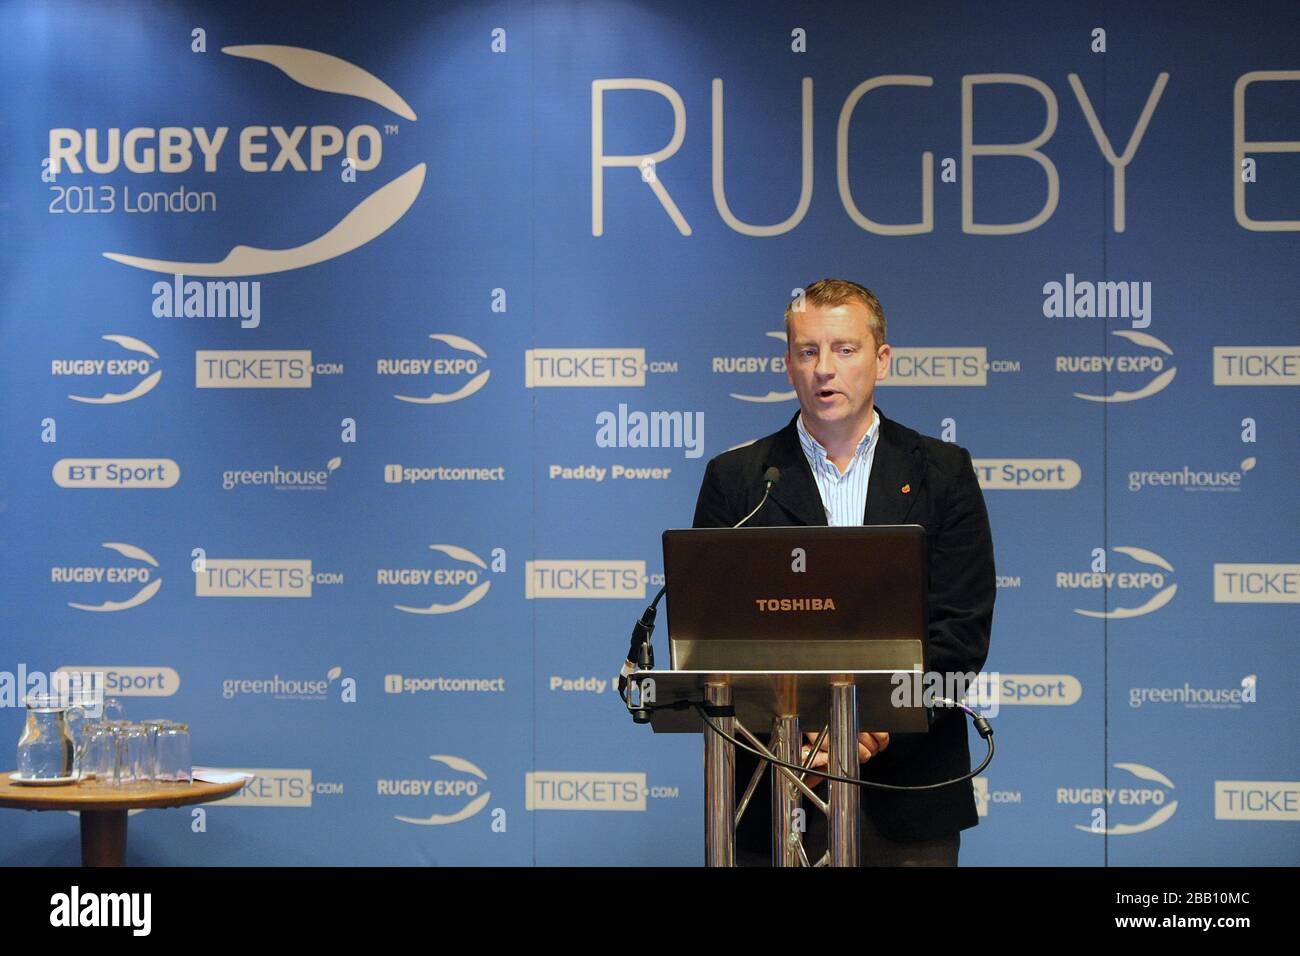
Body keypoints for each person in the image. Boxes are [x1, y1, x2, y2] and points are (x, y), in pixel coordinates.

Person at [691, 278, 995, 866]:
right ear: (788, 364)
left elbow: (960, 633)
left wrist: (870, 726)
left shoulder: (943, 473)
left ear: (881, 359)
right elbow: (714, 640)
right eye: (808, 351)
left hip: (907, 794)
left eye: (845, 349)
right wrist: (801, 726)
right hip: (768, 788)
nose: (824, 369)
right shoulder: (737, 482)